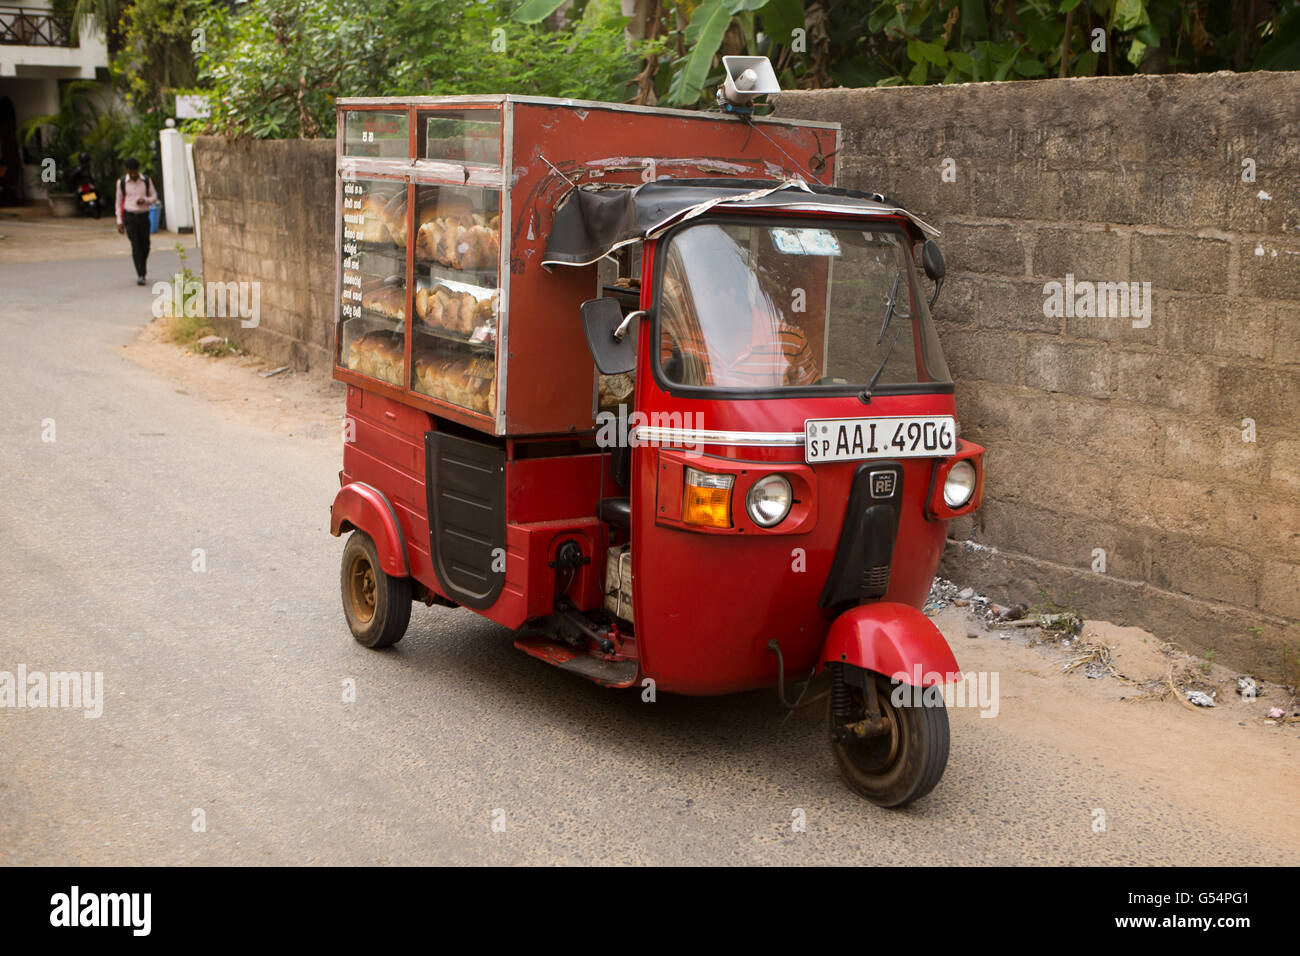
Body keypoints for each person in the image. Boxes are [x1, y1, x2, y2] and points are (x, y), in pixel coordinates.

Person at [115, 157, 157, 285]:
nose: (132, 174)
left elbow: (154, 196)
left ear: (138, 170)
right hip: (130, 217)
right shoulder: (121, 182)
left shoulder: (146, 181)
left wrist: (145, 200)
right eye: (130, 172)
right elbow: (118, 202)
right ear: (127, 171)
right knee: (136, 245)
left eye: (134, 172)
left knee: (145, 245)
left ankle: (141, 266)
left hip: (143, 216)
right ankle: (141, 274)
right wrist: (119, 220)